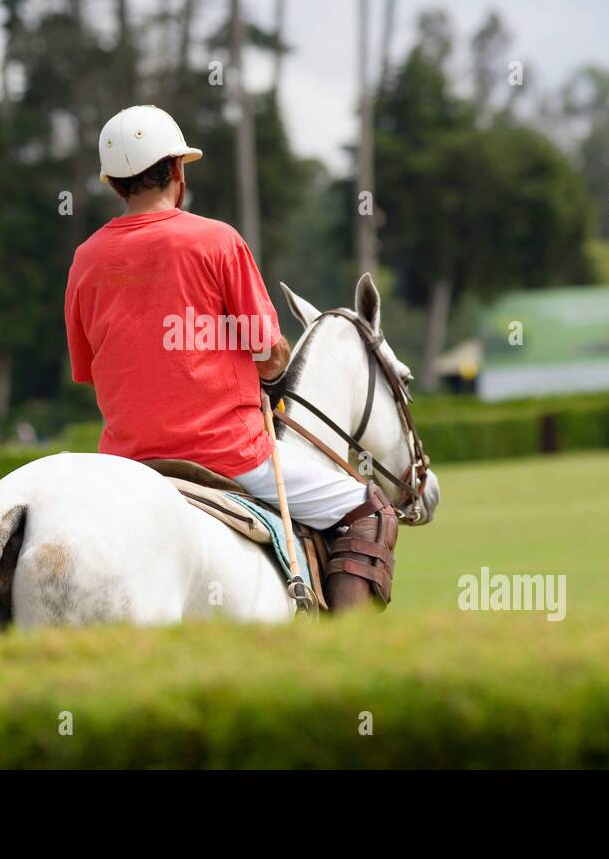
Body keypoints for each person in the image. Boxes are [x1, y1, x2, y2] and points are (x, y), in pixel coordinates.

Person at [63, 105, 398, 611]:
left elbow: (91, 370)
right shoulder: (215, 240)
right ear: (177, 171)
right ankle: (348, 654)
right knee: (368, 509)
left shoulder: (85, 258)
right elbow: (268, 353)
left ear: (114, 184)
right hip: (230, 455)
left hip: (126, 463)